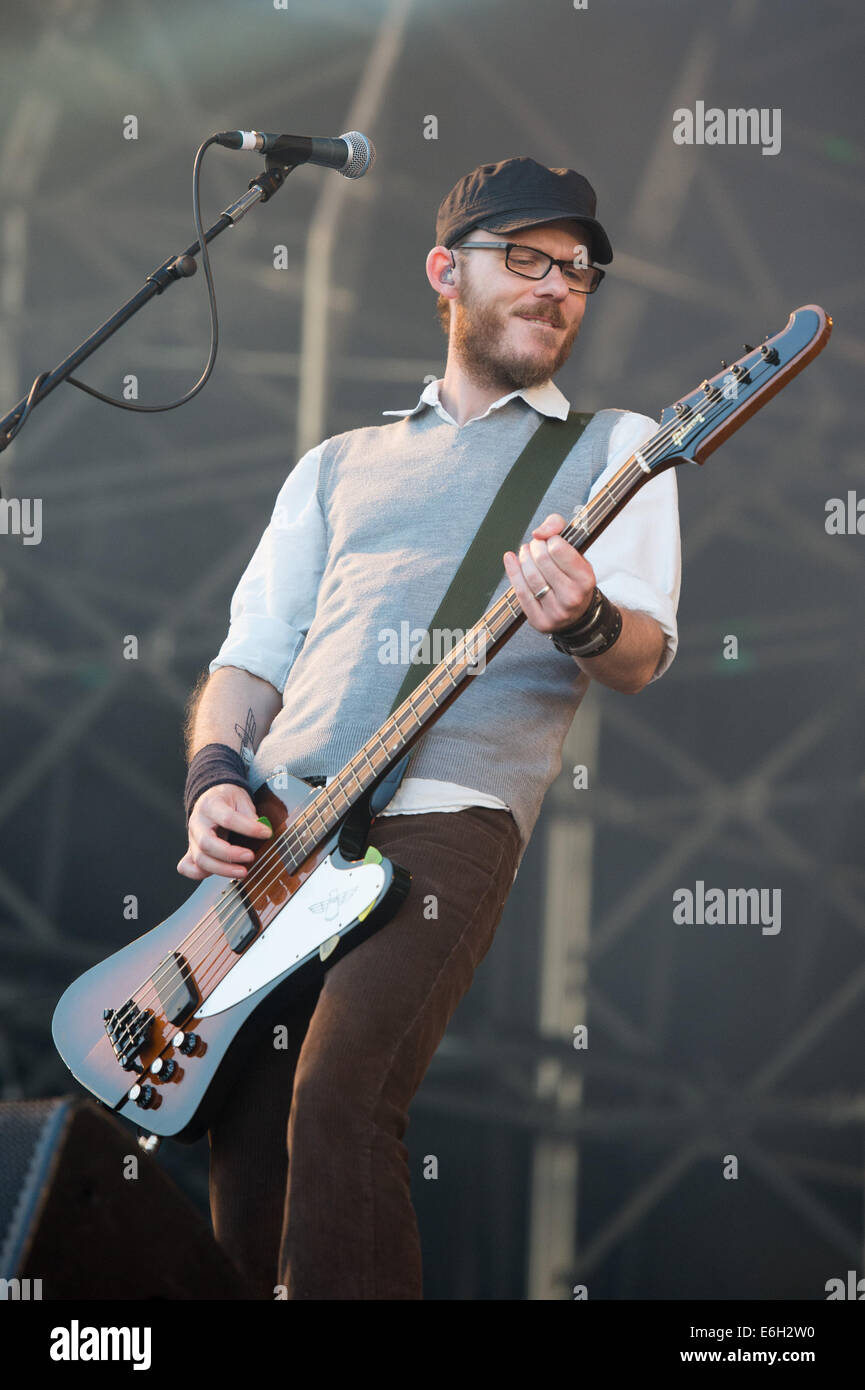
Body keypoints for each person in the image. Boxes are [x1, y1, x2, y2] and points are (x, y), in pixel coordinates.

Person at [178, 156, 681, 1300]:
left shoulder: (616, 449)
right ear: (445, 271)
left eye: (579, 270)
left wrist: (587, 617)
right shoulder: (335, 465)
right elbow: (248, 659)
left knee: (340, 1092)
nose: (560, 286)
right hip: (280, 837)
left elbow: (643, 654)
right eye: (529, 260)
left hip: (447, 823)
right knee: (248, 1127)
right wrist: (214, 775)